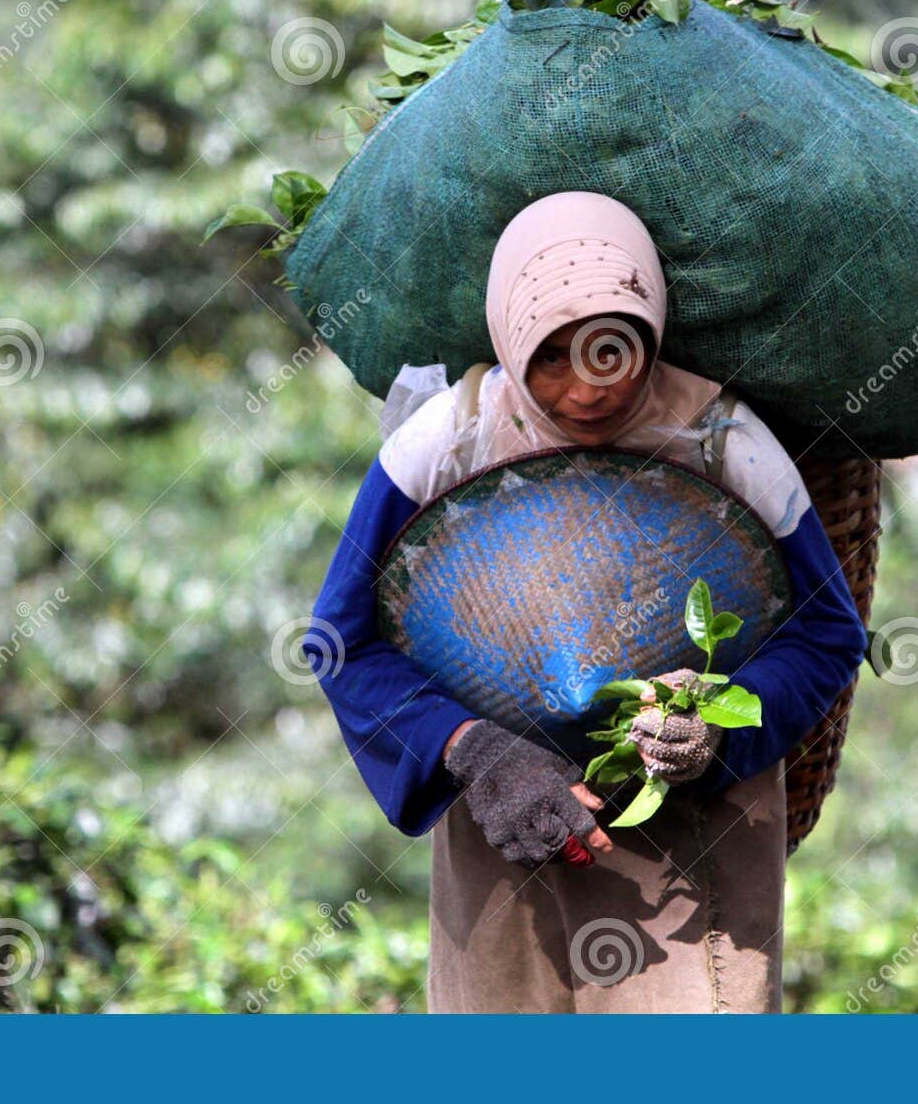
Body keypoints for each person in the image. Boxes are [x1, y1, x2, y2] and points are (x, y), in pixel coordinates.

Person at [305, 191, 868, 1012]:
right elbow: (342, 641)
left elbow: (825, 631)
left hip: (692, 843)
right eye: (551, 357)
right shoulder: (451, 439)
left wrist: (713, 725)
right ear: (510, 338)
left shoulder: (722, 439)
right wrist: (475, 752)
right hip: (509, 828)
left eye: (613, 351)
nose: (587, 389)